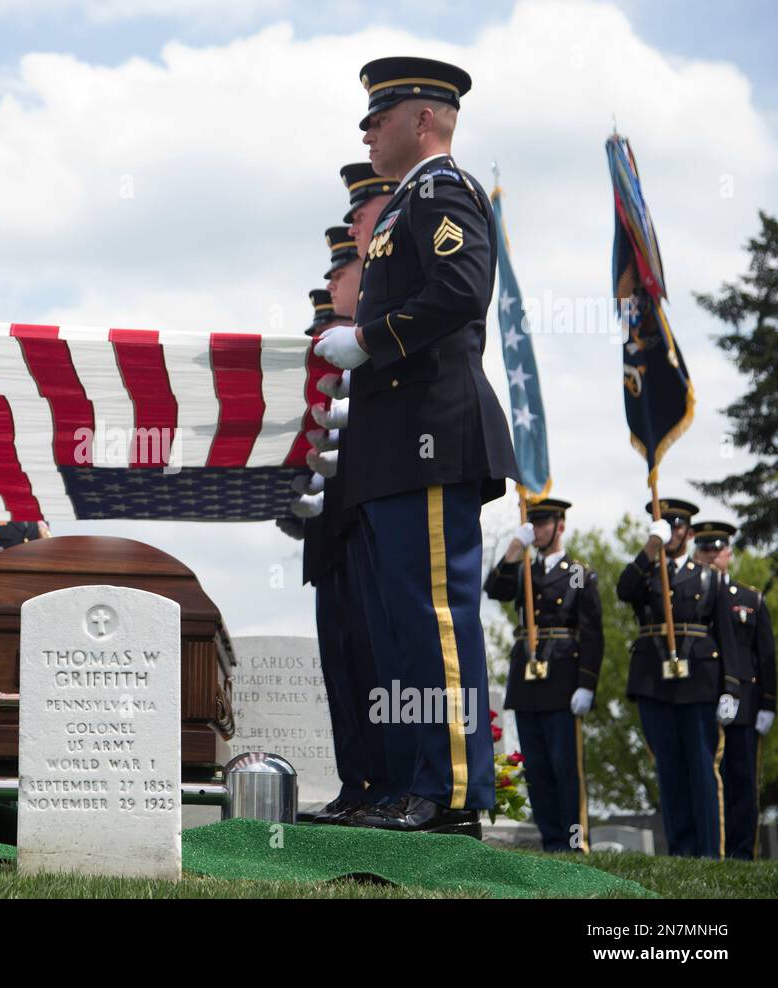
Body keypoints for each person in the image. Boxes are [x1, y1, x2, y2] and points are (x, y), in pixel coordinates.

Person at [314, 57, 518, 837]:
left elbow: (462, 291)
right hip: (397, 446)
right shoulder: (403, 207)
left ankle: (452, 792)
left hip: (432, 436)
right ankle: (407, 784)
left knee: (434, 617)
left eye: (380, 115)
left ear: (423, 120)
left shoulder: (440, 191)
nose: (367, 129)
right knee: (401, 625)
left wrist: (368, 339)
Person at [292, 231, 400, 823]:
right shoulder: (337, 347)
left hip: (366, 523)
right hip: (327, 534)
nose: (333, 283)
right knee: (342, 664)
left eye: (342, 272)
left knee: (375, 660)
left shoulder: (380, 341)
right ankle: (356, 783)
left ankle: (386, 784)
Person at [617, 499, 743, 857]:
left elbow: (727, 637)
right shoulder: (646, 572)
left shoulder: (711, 579)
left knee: (702, 770)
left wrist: (730, 687)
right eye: (664, 527)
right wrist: (649, 548)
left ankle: (708, 852)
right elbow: (623, 590)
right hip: (654, 680)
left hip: (699, 681)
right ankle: (680, 851)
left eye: (676, 527)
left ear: (689, 532)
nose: (671, 533)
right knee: (669, 770)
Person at [484, 498, 602, 851]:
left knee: (566, 767)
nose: (536, 530)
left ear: (560, 526)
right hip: (527, 678)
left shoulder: (578, 572)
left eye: (542, 524)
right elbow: (495, 590)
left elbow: (593, 634)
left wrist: (587, 684)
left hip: (564, 679)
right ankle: (551, 840)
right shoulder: (522, 569)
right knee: (536, 768)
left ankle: (574, 841)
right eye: (531, 525)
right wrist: (513, 549)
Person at [692, 521, 775, 859]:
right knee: (703, 779)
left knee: (741, 781)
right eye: (705, 549)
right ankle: (707, 851)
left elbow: (765, 655)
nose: (711, 556)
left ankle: (743, 853)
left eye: (717, 549)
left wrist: (768, 703)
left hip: (743, 705)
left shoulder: (749, 598)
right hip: (700, 698)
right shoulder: (689, 596)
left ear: (728, 553)